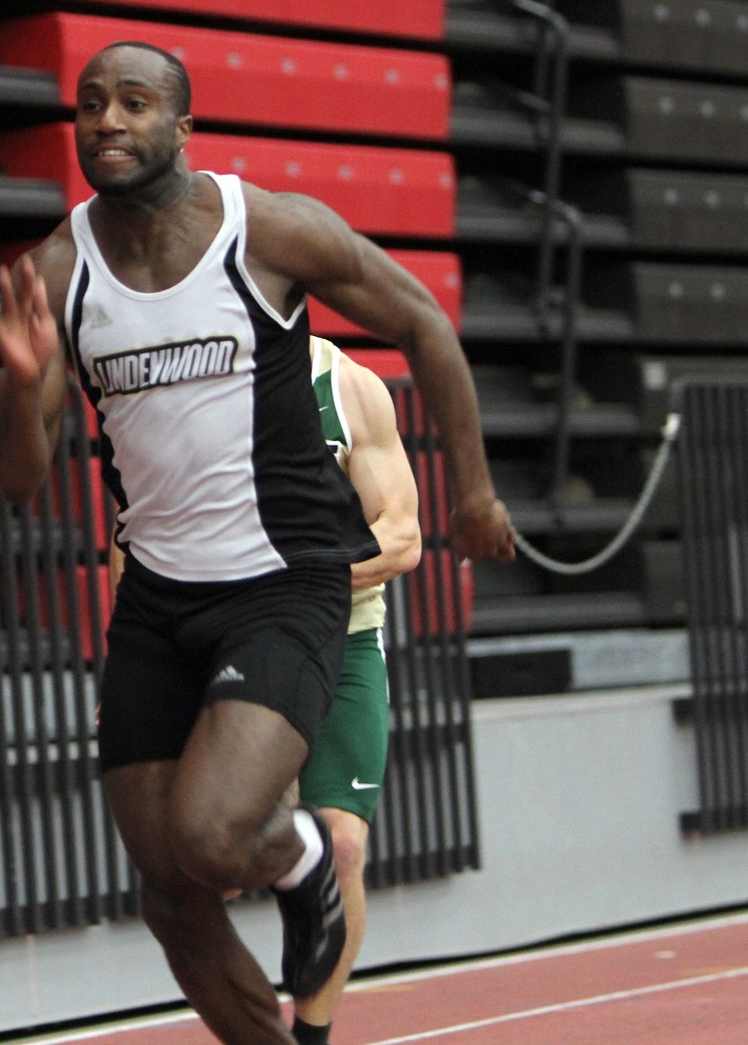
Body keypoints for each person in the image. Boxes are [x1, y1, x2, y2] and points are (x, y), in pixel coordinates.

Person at [0, 42, 513, 1045]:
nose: (107, 122)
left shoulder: (261, 228)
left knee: (211, 834)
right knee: (169, 893)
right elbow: (15, 478)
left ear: (182, 126)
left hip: (282, 581)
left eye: (134, 104)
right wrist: (20, 379)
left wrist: (473, 492)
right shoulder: (57, 271)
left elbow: (422, 323)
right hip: (156, 600)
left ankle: (306, 858)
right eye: (91, 104)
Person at [290, 337, 423, 1045]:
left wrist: (308, 581)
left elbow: (401, 535)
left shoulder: (347, 387)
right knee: (209, 855)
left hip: (342, 641)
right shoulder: (201, 381)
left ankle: (310, 1035)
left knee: (343, 846)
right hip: (235, 641)